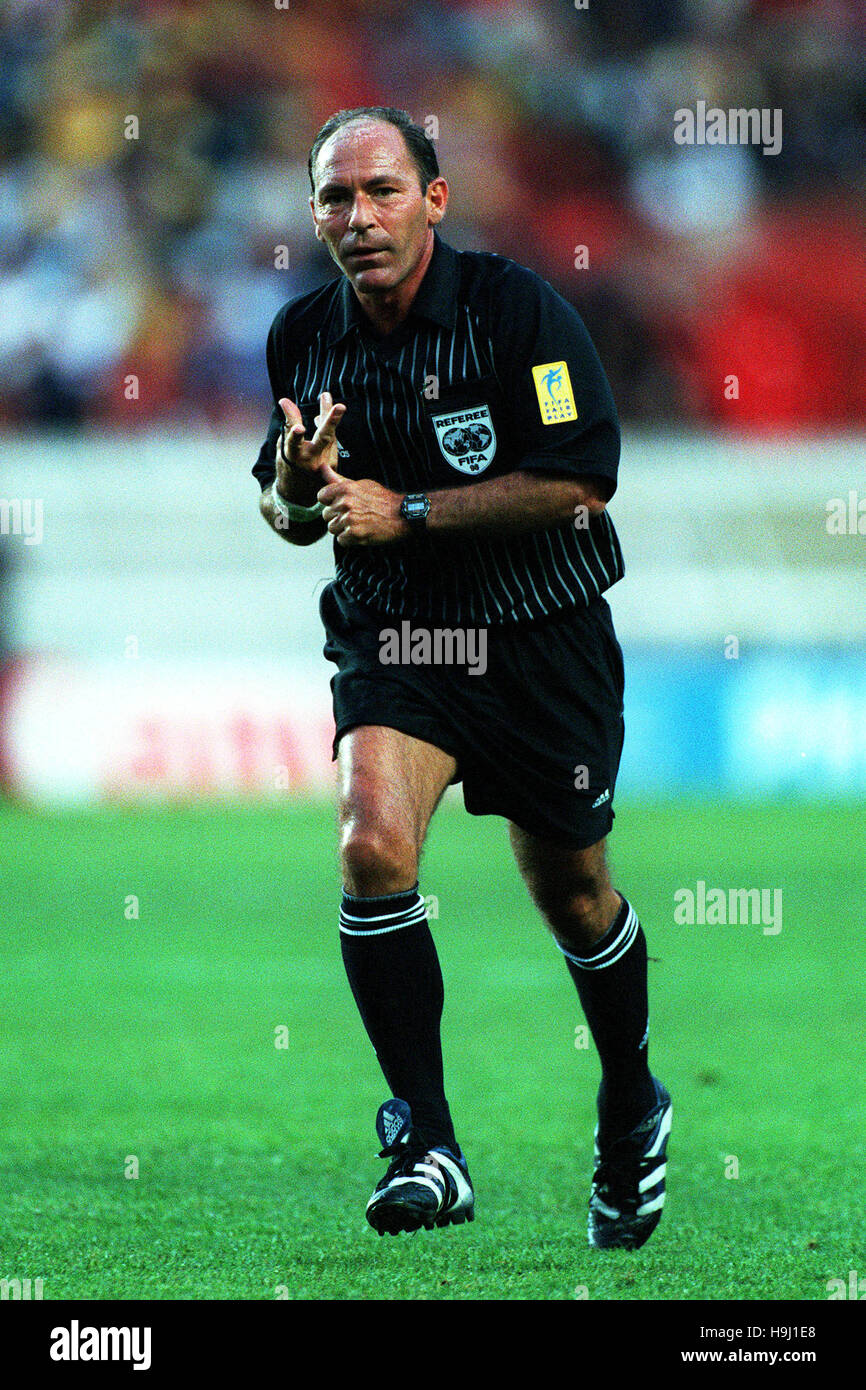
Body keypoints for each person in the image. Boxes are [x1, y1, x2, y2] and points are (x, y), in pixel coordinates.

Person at [252, 106, 671, 1248]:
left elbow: (580, 477)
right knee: (368, 847)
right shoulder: (300, 336)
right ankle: (424, 1141)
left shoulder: (514, 312)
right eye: (336, 199)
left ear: (433, 198)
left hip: (538, 639)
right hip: (400, 639)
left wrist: (411, 509)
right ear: (314, 217)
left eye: (382, 190)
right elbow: (291, 515)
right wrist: (298, 483)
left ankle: (630, 1102)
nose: (359, 217)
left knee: (574, 896)